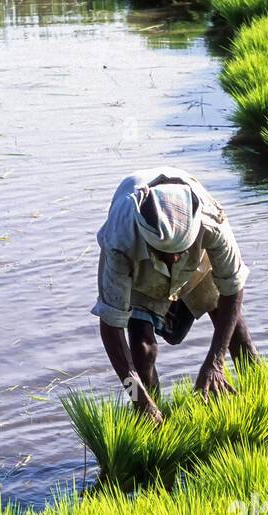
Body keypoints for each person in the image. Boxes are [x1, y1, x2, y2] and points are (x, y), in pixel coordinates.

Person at [92, 168, 258, 424]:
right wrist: (138, 398)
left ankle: (259, 391)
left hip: (197, 261)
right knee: (142, 347)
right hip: (141, 268)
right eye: (164, 253)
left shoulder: (211, 220)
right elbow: (111, 328)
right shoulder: (120, 240)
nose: (173, 260)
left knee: (234, 327)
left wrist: (215, 362)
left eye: (178, 252)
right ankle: (150, 414)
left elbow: (233, 288)